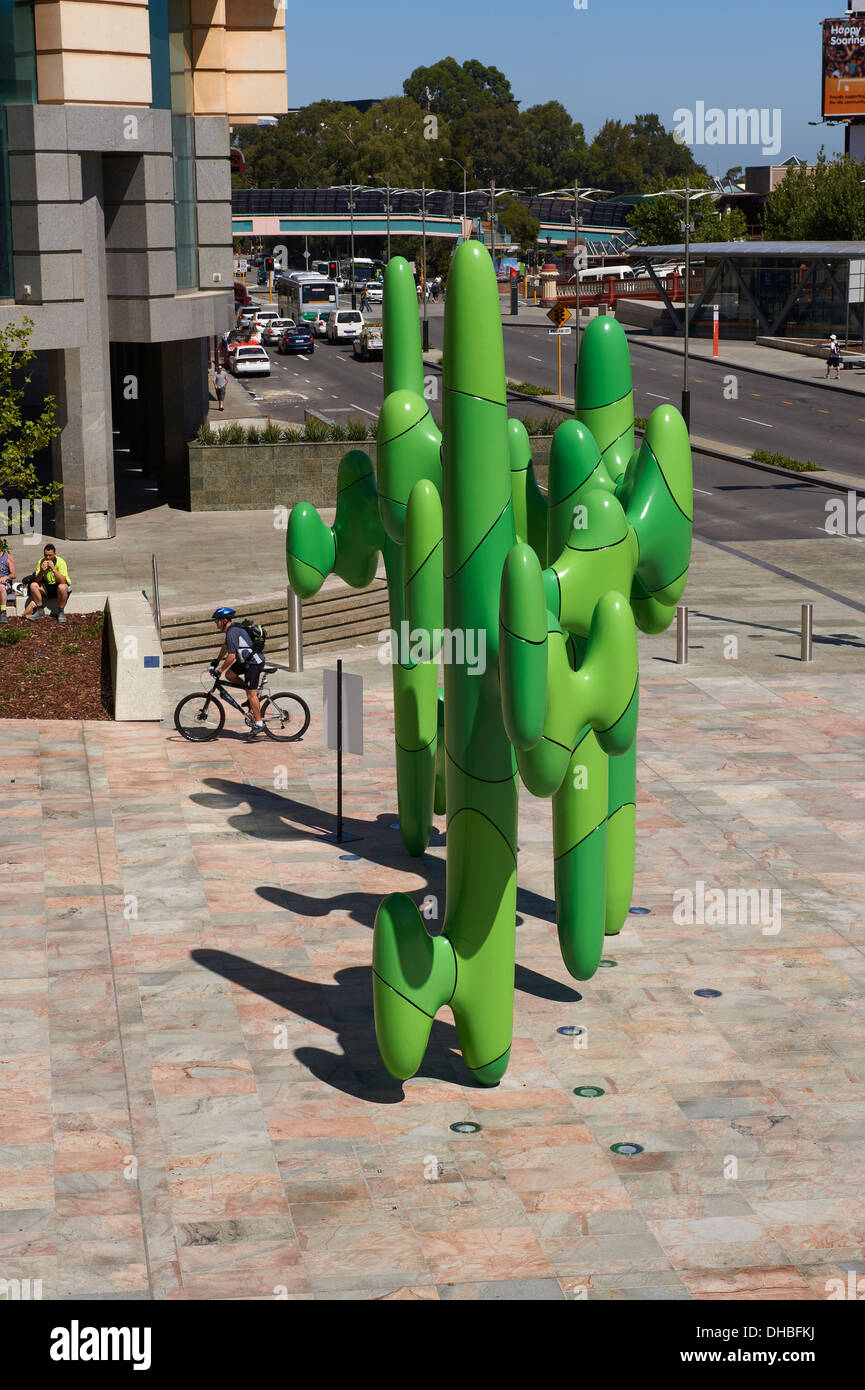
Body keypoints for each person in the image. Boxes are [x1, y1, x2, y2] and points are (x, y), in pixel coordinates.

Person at [211, 607, 266, 740]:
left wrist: (220, 670)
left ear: (224, 621)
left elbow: (231, 656)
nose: (215, 623)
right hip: (246, 661)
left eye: (217, 621)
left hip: (253, 663)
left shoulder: (232, 632)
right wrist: (217, 660)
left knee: (251, 692)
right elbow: (225, 647)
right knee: (230, 675)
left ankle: (259, 724)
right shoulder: (231, 630)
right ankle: (250, 694)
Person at [24, 543, 71, 622]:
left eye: (50, 555)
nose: (47, 558)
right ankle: (40, 611)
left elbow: (63, 581)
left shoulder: (61, 562)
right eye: (46, 555)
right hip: (47, 587)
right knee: (33, 585)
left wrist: (53, 569)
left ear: (55, 554)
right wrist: (42, 571)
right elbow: (37, 580)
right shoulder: (41, 562)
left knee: (62, 587)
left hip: (58, 587)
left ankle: (61, 611)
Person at [0, 536, 16, 624]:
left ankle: (3, 612)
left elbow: (14, 574)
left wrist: (5, 577)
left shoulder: (7, 557)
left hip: (5, 583)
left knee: (1, 587)